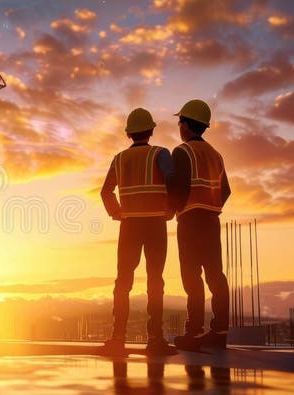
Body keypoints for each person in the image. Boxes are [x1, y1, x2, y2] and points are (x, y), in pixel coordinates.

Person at [99, 108, 178, 356]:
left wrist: (117, 212)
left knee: (123, 281)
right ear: (152, 130)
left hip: (129, 226)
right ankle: (155, 339)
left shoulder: (119, 159)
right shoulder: (161, 153)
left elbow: (105, 192)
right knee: (155, 280)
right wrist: (171, 209)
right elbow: (173, 181)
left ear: (129, 134)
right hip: (155, 224)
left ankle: (117, 339)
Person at [168, 99, 231, 350]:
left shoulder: (182, 152)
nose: (179, 126)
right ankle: (220, 331)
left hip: (190, 221)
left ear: (185, 125)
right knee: (215, 274)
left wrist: (174, 210)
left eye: (179, 121)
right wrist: (212, 206)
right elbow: (225, 190)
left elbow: (177, 189)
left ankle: (193, 332)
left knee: (191, 276)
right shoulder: (216, 155)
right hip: (212, 221)